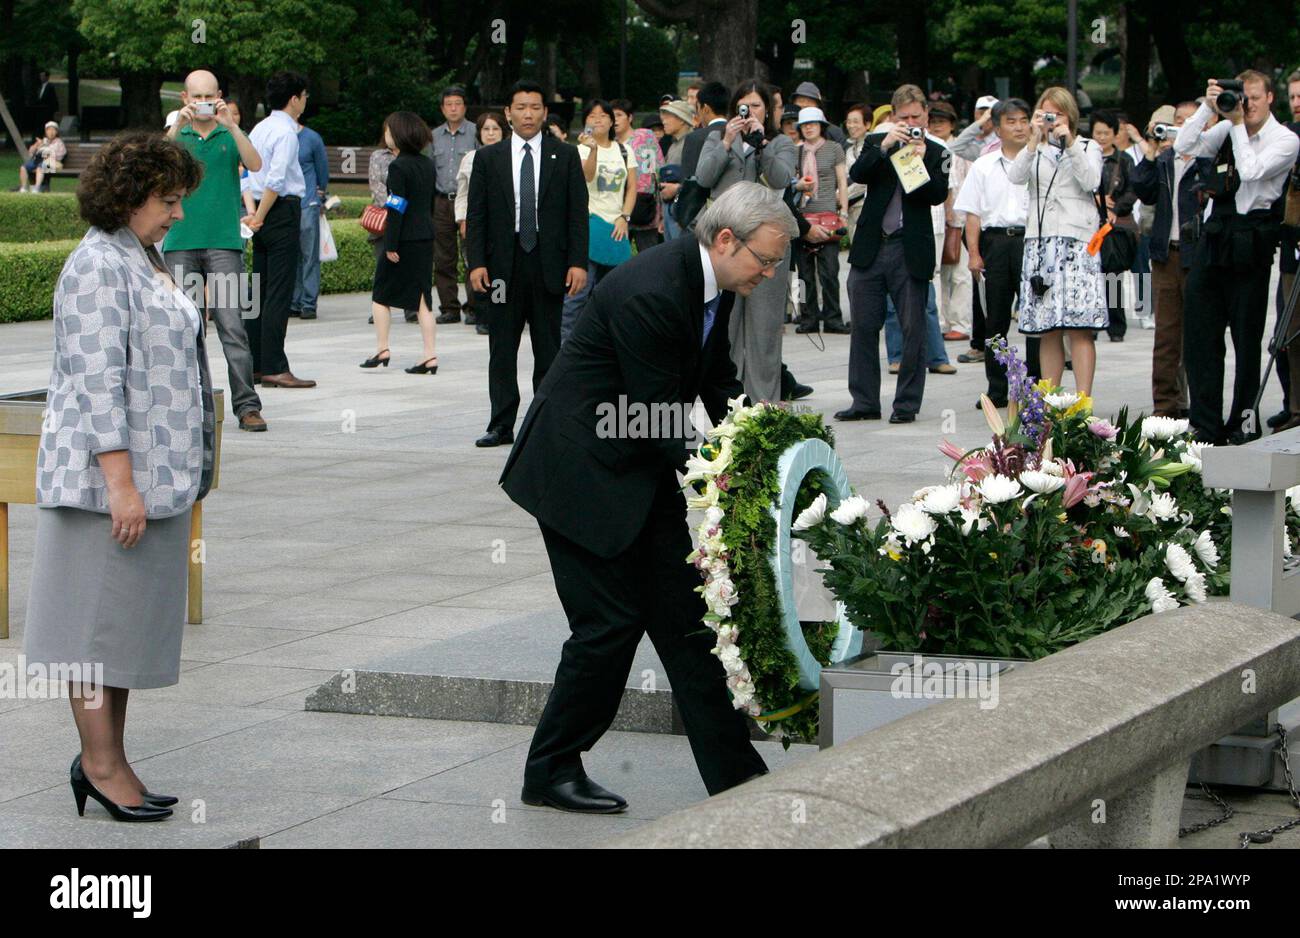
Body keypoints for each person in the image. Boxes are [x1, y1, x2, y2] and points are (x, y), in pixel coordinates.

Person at [499, 183, 795, 813]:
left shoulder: (713, 284)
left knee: (687, 626)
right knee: (607, 625)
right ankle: (550, 769)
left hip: (633, 465)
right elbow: (656, 415)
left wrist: (763, 448)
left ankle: (737, 775)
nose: (769, 275)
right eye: (764, 262)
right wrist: (722, 478)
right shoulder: (655, 290)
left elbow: (715, 382)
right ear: (724, 239)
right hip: (579, 472)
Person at [25, 132, 213, 823]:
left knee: (122, 635)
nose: (178, 214)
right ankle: (100, 766)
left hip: (152, 477)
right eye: (168, 201)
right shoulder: (95, 265)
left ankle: (111, 759)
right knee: (92, 632)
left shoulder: (141, 254)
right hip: (105, 485)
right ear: (130, 198)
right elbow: (96, 382)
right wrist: (121, 485)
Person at [1175, 71, 1300, 444]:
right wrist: (1206, 108)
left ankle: (1243, 423)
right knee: (1200, 337)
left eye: (1254, 97)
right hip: (1215, 239)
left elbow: (1251, 171)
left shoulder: (1285, 139)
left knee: (1246, 343)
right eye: (1242, 96)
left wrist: (1236, 124)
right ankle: (1205, 424)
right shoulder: (1228, 125)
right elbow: (1185, 146)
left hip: (1252, 243)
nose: (1247, 104)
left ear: (1269, 98)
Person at [467, 79, 588, 448]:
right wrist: (476, 263)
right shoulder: (489, 159)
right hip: (504, 267)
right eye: (521, 107)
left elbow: (576, 214)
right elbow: (477, 216)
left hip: (549, 264)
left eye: (535, 107)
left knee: (548, 346)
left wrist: (577, 262)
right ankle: (501, 424)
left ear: (545, 112)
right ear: (508, 113)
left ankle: (544, 422)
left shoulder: (564, 155)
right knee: (502, 346)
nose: (528, 114)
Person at [836, 84, 950, 424]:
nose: (911, 122)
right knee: (863, 326)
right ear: (893, 117)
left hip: (909, 246)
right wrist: (886, 147)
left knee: (913, 329)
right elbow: (857, 175)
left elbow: (936, 195)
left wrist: (915, 163)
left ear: (926, 116)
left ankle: (906, 404)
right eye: (904, 117)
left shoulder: (938, 151)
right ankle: (864, 401)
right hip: (872, 245)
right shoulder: (875, 143)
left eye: (917, 116)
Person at [163, 69, 268, 433]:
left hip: (224, 241)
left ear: (220, 95)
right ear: (184, 99)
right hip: (180, 241)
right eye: (196, 97)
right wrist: (179, 125)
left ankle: (247, 406)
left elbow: (255, 165)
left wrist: (233, 125)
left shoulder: (228, 133)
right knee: (183, 328)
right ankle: (184, 405)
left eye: (209, 96)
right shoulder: (178, 135)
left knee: (232, 326)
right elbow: (157, 164)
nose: (202, 103)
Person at [695, 79, 798, 403]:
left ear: (767, 110)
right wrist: (727, 142)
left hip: (766, 246)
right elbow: (703, 177)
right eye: (744, 106)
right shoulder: (717, 137)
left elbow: (783, 179)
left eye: (756, 106)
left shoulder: (779, 143)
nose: (749, 111)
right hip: (726, 245)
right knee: (725, 326)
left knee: (765, 327)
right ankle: (731, 403)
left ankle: (764, 403)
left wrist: (762, 144)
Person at [1006, 86, 1107, 396]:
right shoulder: (1033, 149)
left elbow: (1091, 181)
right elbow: (1015, 176)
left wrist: (1070, 141)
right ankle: (1049, 399)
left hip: (1077, 245)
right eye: (1047, 113)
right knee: (1047, 328)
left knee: (1080, 327)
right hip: (1041, 246)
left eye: (1058, 114)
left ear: (1070, 116)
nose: (1052, 120)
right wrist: (1034, 140)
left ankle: (1082, 400)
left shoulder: (1088, 147)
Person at [955, 98, 1037, 407]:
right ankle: (998, 388)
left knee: (1035, 318)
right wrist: (974, 253)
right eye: (1011, 121)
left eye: (1023, 120)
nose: (1019, 126)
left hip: (1031, 242)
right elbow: (972, 214)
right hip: (996, 244)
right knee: (995, 321)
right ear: (998, 128)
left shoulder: (1039, 160)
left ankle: (1033, 388)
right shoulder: (984, 165)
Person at [1132, 100, 1205, 418]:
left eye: (1190, 121)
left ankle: (1200, 405)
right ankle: (1165, 403)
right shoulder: (1164, 159)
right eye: (1177, 121)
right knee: (1166, 335)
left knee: (1199, 334)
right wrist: (1151, 148)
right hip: (1165, 254)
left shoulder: (1207, 159)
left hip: (1198, 256)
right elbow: (1142, 189)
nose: (1182, 127)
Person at [244, 71, 316, 388]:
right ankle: (274, 365)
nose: (305, 101)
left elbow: (247, 173)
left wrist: (254, 213)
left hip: (261, 210)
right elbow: (276, 179)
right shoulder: (287, 134)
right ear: (294, 99)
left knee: (259, 289)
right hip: (279, 210)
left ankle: (257, 364)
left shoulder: (259, 128)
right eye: (304, 95)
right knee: (278, 292)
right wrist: (260, 215)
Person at [361, 112, 439, 374]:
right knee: (423, 298)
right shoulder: (427, 164)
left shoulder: (398, 167)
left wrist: (391, 244)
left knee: (381, 293)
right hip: (425, 235)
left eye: (388, 131)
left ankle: (382, 348)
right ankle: (430, 355)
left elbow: (397, 208)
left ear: (398, 135)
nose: (386, 135)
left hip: (403, 238)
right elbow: (428, 204)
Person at [560, 99, 638, 344]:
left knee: (615, 294)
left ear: (612, 120)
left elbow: (632, 187)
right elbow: (587, 175)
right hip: (589, 226)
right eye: (592, 116)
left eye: (603, 115)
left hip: (616, 228)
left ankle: (605, 345)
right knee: (578, 294)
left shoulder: (625, 150)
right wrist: (593, 149)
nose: (598, 120)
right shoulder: (580, 150)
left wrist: (625, 217)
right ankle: (567, 347)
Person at [791, 106, 850, 335]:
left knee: (830, 271)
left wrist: (843, 212)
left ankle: (833, 317)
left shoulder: (834, 149)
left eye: (813, 123)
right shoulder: (796, 151)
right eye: (805, 124)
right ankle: (808, 318)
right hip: (803, 217)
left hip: (828, 215)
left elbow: (842, 182)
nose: (808, 127)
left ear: (822, 126)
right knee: (803, 274)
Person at [456, 111, 508, 337]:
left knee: (501, 272)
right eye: (486, 129)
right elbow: (462, 194)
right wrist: (463, 220)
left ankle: (500, 313)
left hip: (503, 224)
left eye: (495, 129)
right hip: (477, 223)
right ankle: (482, 315)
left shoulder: (510, 157)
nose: (491, 133)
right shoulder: (470, 158)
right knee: (476, 268)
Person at [431, 86, 479, 325]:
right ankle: (449, 308)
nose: (453, 108)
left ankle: (473, 307)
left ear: (464, 106)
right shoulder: (433, 136)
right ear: (442, 108)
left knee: (471, 255)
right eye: (448, 104)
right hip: (441, 202)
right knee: (443, 258)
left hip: (468, 200)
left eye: (457, 103)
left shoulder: (476, 132)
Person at [1090, 110, 1138, 342]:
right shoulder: (1086, 157)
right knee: (1089, 277)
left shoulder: (1125, 160)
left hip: (1115, 227)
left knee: (1113, 277)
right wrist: (1096, 201)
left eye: (1106, 133)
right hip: (1089, 224)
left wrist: (1115, 208)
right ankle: (1091, 324)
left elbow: (1133, 190)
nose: (1101, 137)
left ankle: (1117, 327)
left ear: (1115, 134)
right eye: (1097, 133)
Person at [927, 100, 973, 342]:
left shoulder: (961, 148)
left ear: (952, 124)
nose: (937, 126)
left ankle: (961, 322)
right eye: (933, 122)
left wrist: (957, 213)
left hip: (961, 217)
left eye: (941, 122)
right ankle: (942, 321)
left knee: (960, 273)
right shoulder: (930, 145)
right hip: (938, 217)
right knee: (939, 272)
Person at [1274, 74, 1300, 432]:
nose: (1297, 101)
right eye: (1293, 95)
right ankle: (1294, 408)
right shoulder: (1285, 138)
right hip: (1293, 247)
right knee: (1289, 332)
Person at [289, 111, 329, 320]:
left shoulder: (312, 138)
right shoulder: (279, 136)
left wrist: (319, 194)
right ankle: (294, 301)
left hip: (307, 203)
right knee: (292, 254)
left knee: (309, 255)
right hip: (286, 204)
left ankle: (308, 302)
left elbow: (323, 172)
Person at [613, 99, 664, 253]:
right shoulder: (609, 144)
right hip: (619, 209)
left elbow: (658, 169)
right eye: (611, 115)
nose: (615, 120)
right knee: (618, 259)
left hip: (646, 205)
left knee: (649, 256)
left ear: (630, 117)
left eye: (619, 115)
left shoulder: (645, 136)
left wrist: (661, 209)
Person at [657, 98, 695, 240]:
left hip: (683, 210)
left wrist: (677, 188)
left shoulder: (692, 143)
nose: (664, 121)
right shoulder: (673, 145)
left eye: (669, 117)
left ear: (681, 120)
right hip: (669, 209)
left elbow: (697, 179)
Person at [679, 81, 729, 182]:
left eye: (698, 107)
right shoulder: (740, 134)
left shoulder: (695, 138)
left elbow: (689, 180)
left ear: (705, 109)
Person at [842, 104, 869, 240]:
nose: (851, 125)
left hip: (866, 206)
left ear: (868, 124)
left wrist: (842, 195)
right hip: (851, 206)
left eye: (856, 122)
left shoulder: (873, 147)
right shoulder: (848, 149)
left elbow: (865, 181)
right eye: (849, 122)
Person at [18, 121, 66, 192]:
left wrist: (45, 147)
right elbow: (30, 153)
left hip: (53, 162)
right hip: (38, 161)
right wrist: (35, 146)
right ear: (46, 131)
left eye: (53, 130)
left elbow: (61, 155)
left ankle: (36, 188)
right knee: (24, 167)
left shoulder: (59, 142)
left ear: (56, 132)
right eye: (49, 130)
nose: (51, 132)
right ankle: (23, 188)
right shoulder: (42, 141)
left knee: (40, 167)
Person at [950, 95, 1001, 162]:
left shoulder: (1002, 140)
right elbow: (952, 148)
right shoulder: (970, 140)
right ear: (975, 114)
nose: (987, 117)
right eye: (982, 113)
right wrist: (980, 122)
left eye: (991, 114)